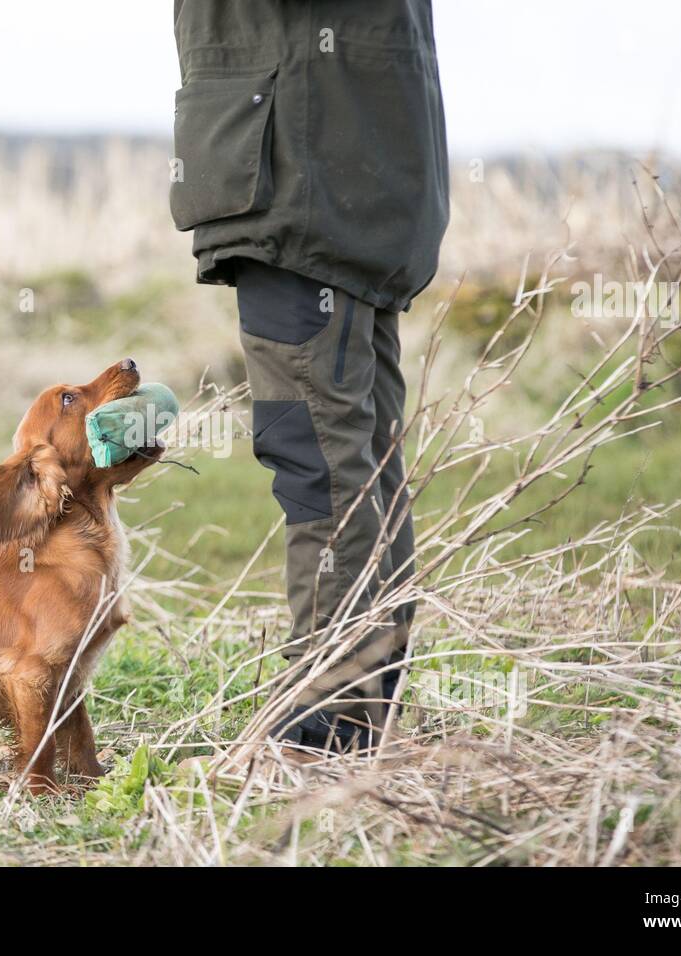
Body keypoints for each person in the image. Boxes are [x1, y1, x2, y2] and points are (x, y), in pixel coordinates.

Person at [169, 0, 449, 751]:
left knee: (320, 465)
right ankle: (359, 715)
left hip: (301, 180)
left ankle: (325, 726)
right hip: (336, 173)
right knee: (359, 459)